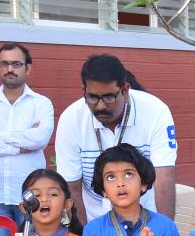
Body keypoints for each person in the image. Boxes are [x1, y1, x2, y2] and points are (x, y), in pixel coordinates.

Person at [56, 54, 178, 223]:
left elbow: (164, 178)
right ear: (84, 91)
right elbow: (71, 187)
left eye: (108, 97)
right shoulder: (70, 119)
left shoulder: (156, 111)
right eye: (92, 97)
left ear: (125, 90)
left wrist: (165, 232)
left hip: (145, 219)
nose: (100, 106)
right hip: (94, 220)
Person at [0, 43, 55, 228]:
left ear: (28, 68)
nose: (9, 69)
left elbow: (39, 139)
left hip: (32, 196)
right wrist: (18, 148)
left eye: (16, 64)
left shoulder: (41, 103)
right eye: (4, 64)